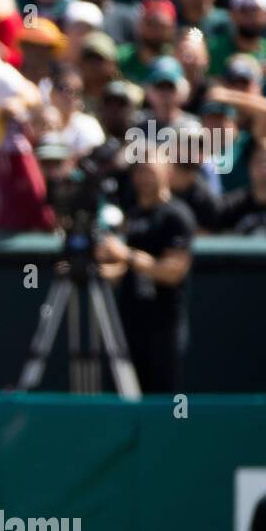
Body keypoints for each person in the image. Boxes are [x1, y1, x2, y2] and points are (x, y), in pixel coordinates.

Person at [95, 151, 195, 393]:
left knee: (160, 400)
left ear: (167, 173)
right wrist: (98, 269)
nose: (143, 178)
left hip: (162, 326)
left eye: (150, 171)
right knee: (124, 396)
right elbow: (124, 271)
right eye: (139, 171)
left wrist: (125, 255)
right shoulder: (133, 215)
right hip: (129, 324)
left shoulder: (176, 216)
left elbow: (174, 272)